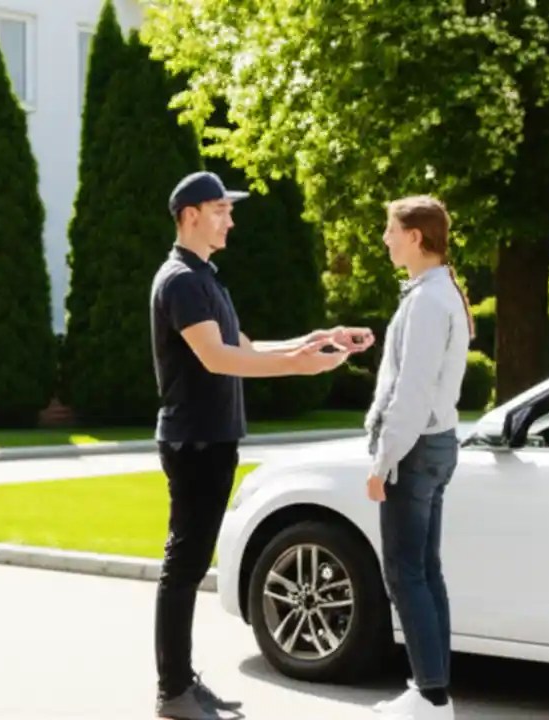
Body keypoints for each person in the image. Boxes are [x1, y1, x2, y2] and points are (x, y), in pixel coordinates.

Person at [150, 170, 374, 720]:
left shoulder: (206, 278)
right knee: (183, 566)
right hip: (195, 440)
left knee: (190, 562)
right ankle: (173, 690)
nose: (230, 218)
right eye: (221, 209)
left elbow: (245, 345)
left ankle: (182, 683)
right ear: (190, 216)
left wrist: (317, 339)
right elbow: (217, 358)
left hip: (215, 436)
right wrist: (295, 368)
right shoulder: (179, 280)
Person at [364, 195, 474, 720]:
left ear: (415, 236)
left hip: (416, 447)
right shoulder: (436, 293)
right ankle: (432, 692)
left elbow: (412, 391)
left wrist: (383, 461)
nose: (384, 239)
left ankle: (430, 698)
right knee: (424, 571)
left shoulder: (430, 301)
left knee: (406, 573)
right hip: (435, 444)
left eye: (390, 230)